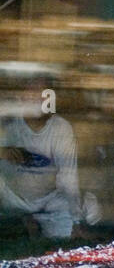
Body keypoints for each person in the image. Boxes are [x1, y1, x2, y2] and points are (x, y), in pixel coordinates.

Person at [0, 75, 84, 239]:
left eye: (44, 93)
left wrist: (76, 221)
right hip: (11, 198)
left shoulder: (61, 127)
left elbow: (68, 176)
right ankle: (22, 221)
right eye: (31, 92)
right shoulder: (8, 124)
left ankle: (29, 223)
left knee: (75, 221)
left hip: (49, 201)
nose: (38, 98)